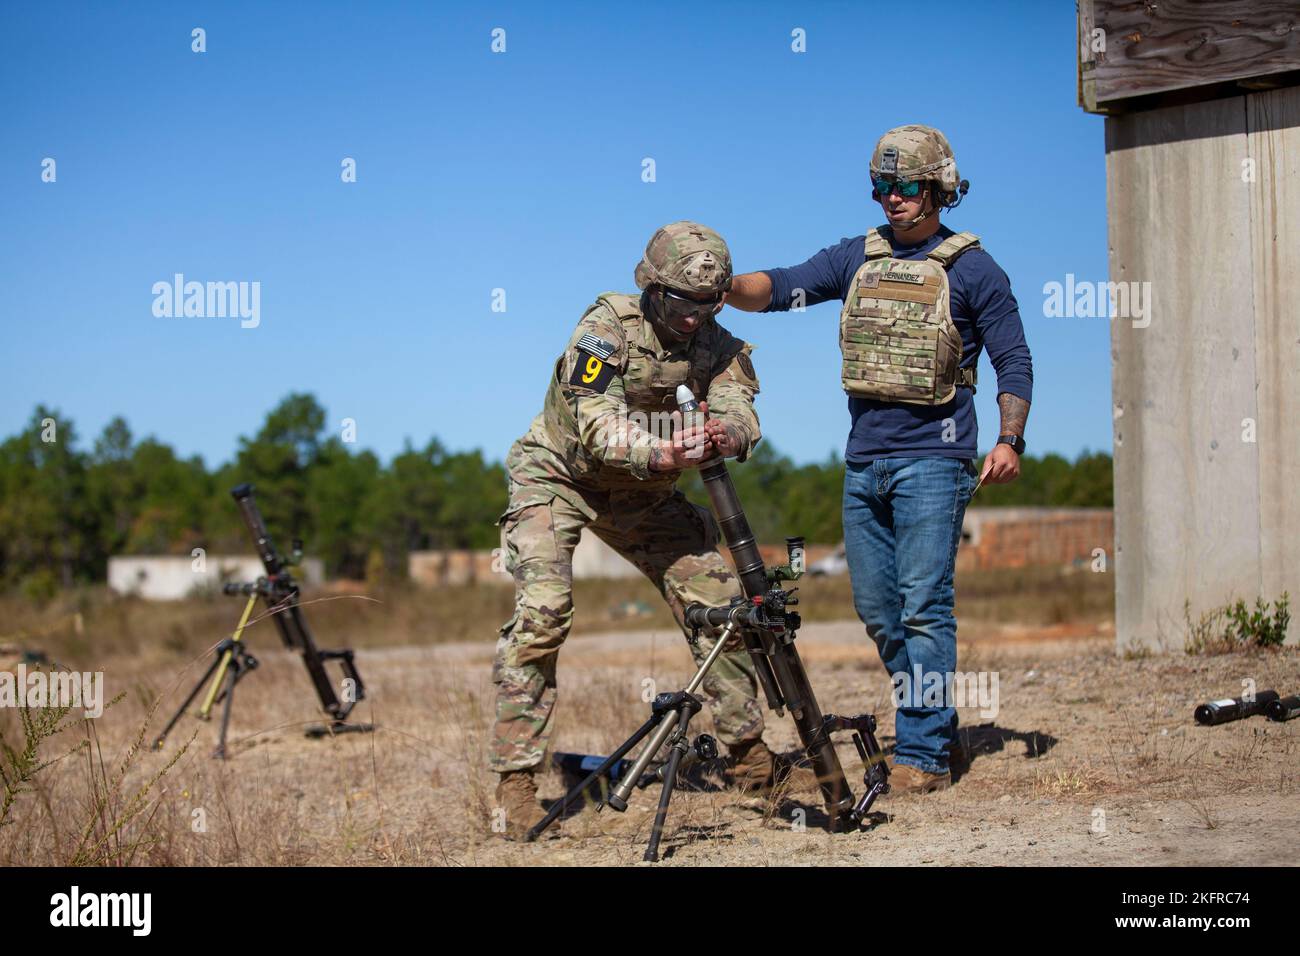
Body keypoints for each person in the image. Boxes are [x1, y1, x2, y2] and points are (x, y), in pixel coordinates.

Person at [725, 126, 1034, 794]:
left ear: (940, 188)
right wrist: (720, 286)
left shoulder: (974, 269)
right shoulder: (856, 257)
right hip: (865, 460)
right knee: (878, 610)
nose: (891, 198)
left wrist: (1010, 437)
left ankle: (922, 752)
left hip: (937, 459)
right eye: (881, 186)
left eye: (906, 186)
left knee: (925, 603)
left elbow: (1014, 357)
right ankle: (934, 719)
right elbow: (781, 287)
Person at [490, 221, 792, 838]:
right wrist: (663, 453)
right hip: (560, 479)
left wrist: (722, 435)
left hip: (647, 499)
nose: (693, 319)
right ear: (652, 289)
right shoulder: (605, 330)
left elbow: (741, 411)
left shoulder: (720, 346)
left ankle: (752, 762)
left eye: (707, 305)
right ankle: (515, 782)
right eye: (682, 304)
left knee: (724, 607)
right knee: (545, 612)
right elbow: (595, 420)